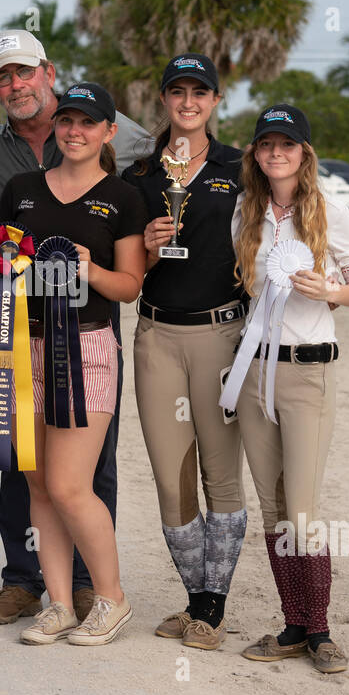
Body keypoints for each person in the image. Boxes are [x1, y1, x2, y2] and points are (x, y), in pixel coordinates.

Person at [0, 29, 153, 625]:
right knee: (28, 471)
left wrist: (97, 263)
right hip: (22, 339)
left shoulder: (125, 178)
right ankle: (34, 589)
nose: (15, 85)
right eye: (2, 77)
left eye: (24, 73)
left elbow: (131, 275)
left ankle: (98, 592)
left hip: (90, 339)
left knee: (83, 476)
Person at [230, 104, 349, 674]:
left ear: (304, 153)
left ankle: (321, 630)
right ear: (256, 153)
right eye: (266, 143)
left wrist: (330, 290)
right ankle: (293, 624)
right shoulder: (246, 211)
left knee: (303, 508)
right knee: (271, 506)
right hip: (253, 370)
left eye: (286, 144)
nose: (275, 152)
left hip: (308, 371)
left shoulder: (332, 213)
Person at [122, 54, 249, 652]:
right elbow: (128, 269)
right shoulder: (142, 175)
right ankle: (199, 599)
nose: (189, 101)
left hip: (222, 335)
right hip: (157, 337)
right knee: (172, 479)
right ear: (165, 98)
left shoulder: (240, 168)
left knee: (220, 473)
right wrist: (146, 246)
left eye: (201, 92)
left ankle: (210, 608)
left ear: (217, 100)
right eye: (178, 91)